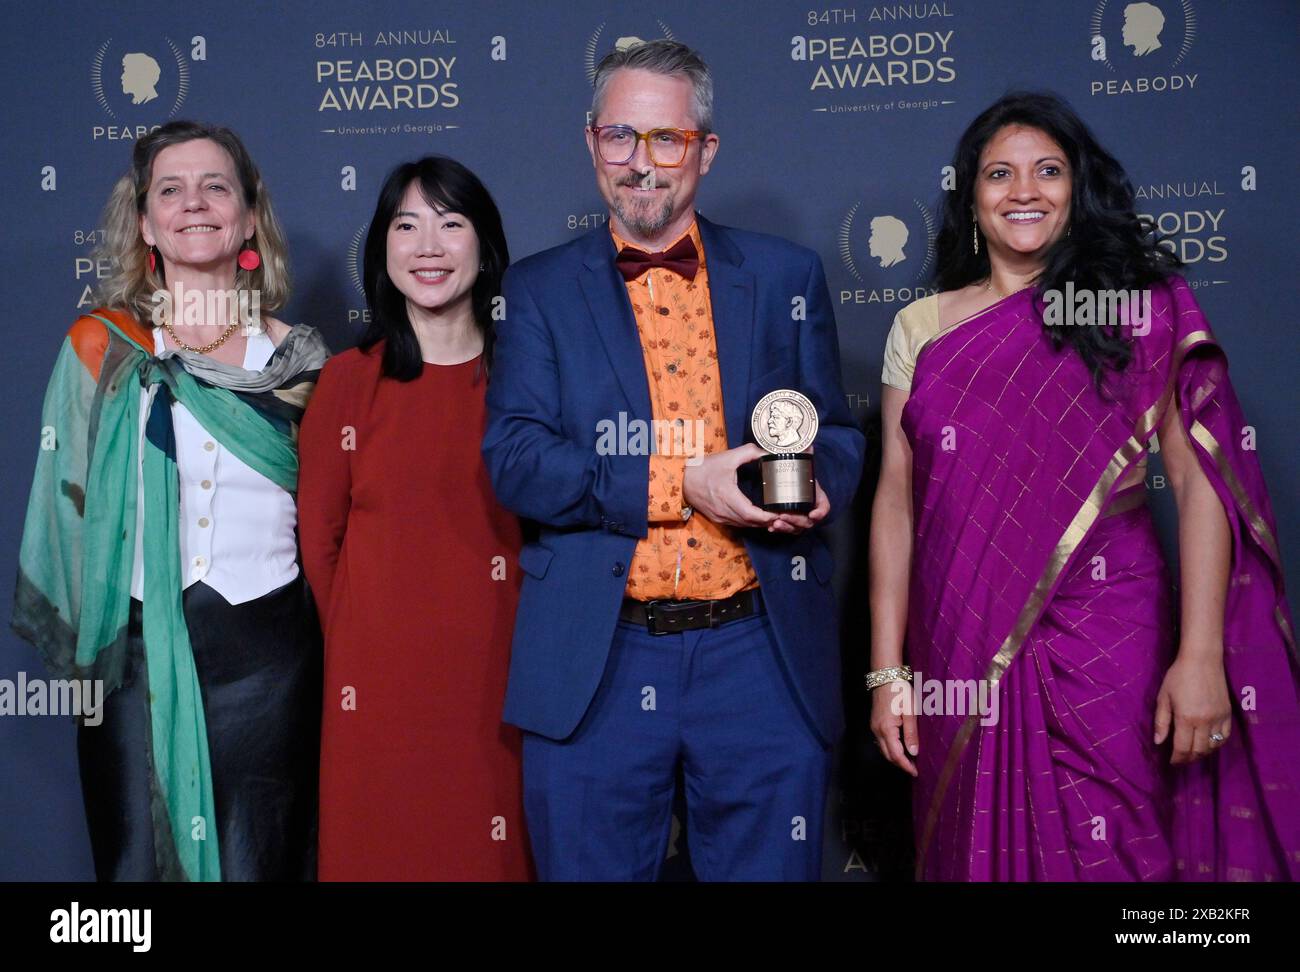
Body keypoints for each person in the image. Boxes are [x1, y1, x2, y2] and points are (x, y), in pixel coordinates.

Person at [868, 92, 1299, 881]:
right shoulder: (923, 327)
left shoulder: (1137, 310)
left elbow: (1201, 484)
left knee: (1119, 845)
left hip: (1110, 628)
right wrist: (888, 673)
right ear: (971, 196)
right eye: (999, 173)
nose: (1023, 190)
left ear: (1079, 189)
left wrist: (1201, 653)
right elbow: (896, 500)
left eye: (1048, 171)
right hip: (961, 631)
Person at [482, 39, 865, 881]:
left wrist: (814, 491)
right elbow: (515, 460)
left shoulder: (784, 274)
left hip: (758, 654)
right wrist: (679, 484)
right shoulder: (538, 290)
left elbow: (833, 433)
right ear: (591, 143)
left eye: (667, 139)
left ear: (706, 149)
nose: (642, 164)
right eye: (621, 137)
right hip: (600, 656)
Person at [12, 121, 329, 881]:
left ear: (249, 216)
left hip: (270, 663)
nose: (195, 203)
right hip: (136, 658)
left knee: (263, 862)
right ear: (147, 221)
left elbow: (336, 522)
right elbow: (66, 515)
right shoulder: (101, 348)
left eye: (217, 186)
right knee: (133, 873)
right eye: (171, 190)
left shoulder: (301, 366)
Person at [298, 157, 532, 881]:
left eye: (450, 223)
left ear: (485, 247)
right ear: (382, 248)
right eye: (407, 225)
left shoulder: (530, 381)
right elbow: (319, 543)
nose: (428, 246)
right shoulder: (346, 382)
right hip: (376, 690)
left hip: (506, 678)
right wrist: (367, 646)